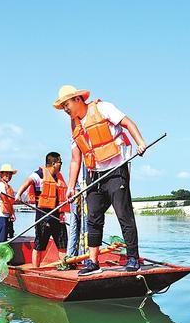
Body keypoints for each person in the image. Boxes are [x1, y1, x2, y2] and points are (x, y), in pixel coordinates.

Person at [54, 85, 148, 276]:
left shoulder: (103, 108)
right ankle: (93, 262)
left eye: (67, 104)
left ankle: (132, 258)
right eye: (62, 106)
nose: (65, 109)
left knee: (123, 214)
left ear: (78, 100)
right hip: (94, 175)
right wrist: (70, 187)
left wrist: (140, 142)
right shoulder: (74, 124)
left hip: (115, 171)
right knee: (93, 219)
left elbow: (128, 123)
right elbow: (75, 159)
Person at [15, 152, 70, 268]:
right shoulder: (39, 175)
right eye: (61, 162)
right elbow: (27, 182)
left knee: (62, 244)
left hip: (58, 217)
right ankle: (36, 269)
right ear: (54, 163)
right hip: (43, 217)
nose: (61, 165)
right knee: (39, 246)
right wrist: (19, 194)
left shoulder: (58, 177)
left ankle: (65, 267)